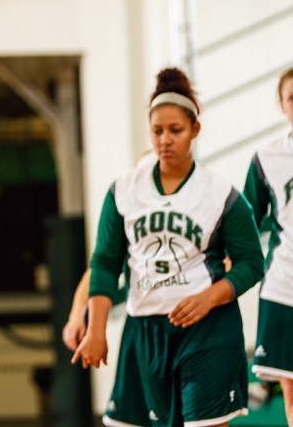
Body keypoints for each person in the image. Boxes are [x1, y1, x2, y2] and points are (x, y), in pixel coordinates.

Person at [73, 67, 264, 426]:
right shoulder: (123, 190)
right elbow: (104, 262)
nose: (164, 139)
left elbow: (252, 263)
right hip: (144, 330)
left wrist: (210, 297)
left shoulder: (221, 194)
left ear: (195, 130)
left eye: (175, 130)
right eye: (157, 131)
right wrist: (95, 329)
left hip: (207, 327)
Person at [244, 67, 293, 425]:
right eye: (292, 98)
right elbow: (244, 221)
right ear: (281, 105)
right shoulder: (266, 158)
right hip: (284, 287)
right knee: (291, 387)